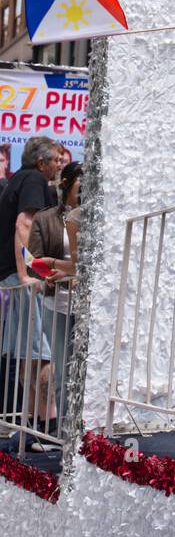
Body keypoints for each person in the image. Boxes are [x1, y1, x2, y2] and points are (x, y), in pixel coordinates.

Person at [0, 137, 64, 441]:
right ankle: (47, 427)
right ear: (41, 163)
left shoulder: (20, 180)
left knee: (29, 355)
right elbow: (23, 225)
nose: (59, 164)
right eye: (55, 159)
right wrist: (28, 275)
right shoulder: (33, 180)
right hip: (21, 279)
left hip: (13, 278)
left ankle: (32, 427)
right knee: (43, 353)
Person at [29, 161, 82, 436]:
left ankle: (84, 431)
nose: (85, 188)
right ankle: (65, 432)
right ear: (66, 183)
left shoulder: (96, 216)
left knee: (84, 371)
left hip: (86, 304)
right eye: (80, 182)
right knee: (63, 369)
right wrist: (50, 270)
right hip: (57, 300)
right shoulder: (46, 217)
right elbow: (33, 261)